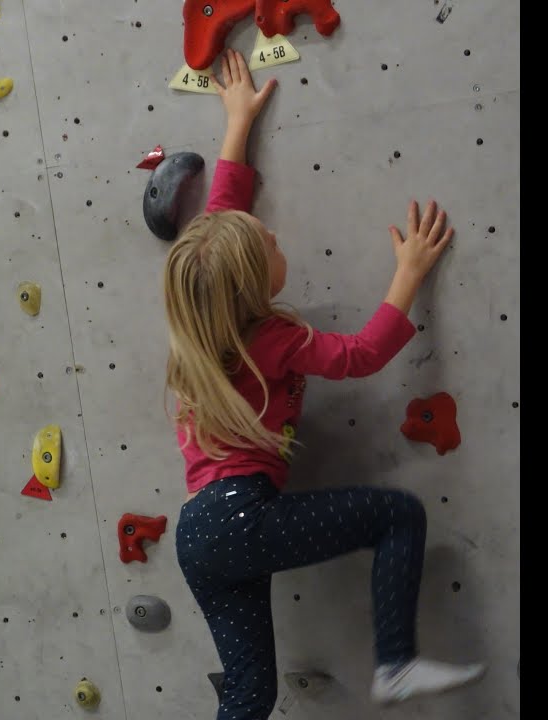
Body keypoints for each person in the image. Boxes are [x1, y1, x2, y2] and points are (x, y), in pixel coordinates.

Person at [164, 49, 487, 719]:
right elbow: (362, 354)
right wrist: (409, 272)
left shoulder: (203, 326)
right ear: (257, 284)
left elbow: (223, 221)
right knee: (398, 515)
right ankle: (395, 665)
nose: (277, 235)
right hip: (243, 516)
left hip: (198, 533)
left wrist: (237, 121)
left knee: (251, 692)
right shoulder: (273, 341)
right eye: (272, 245)